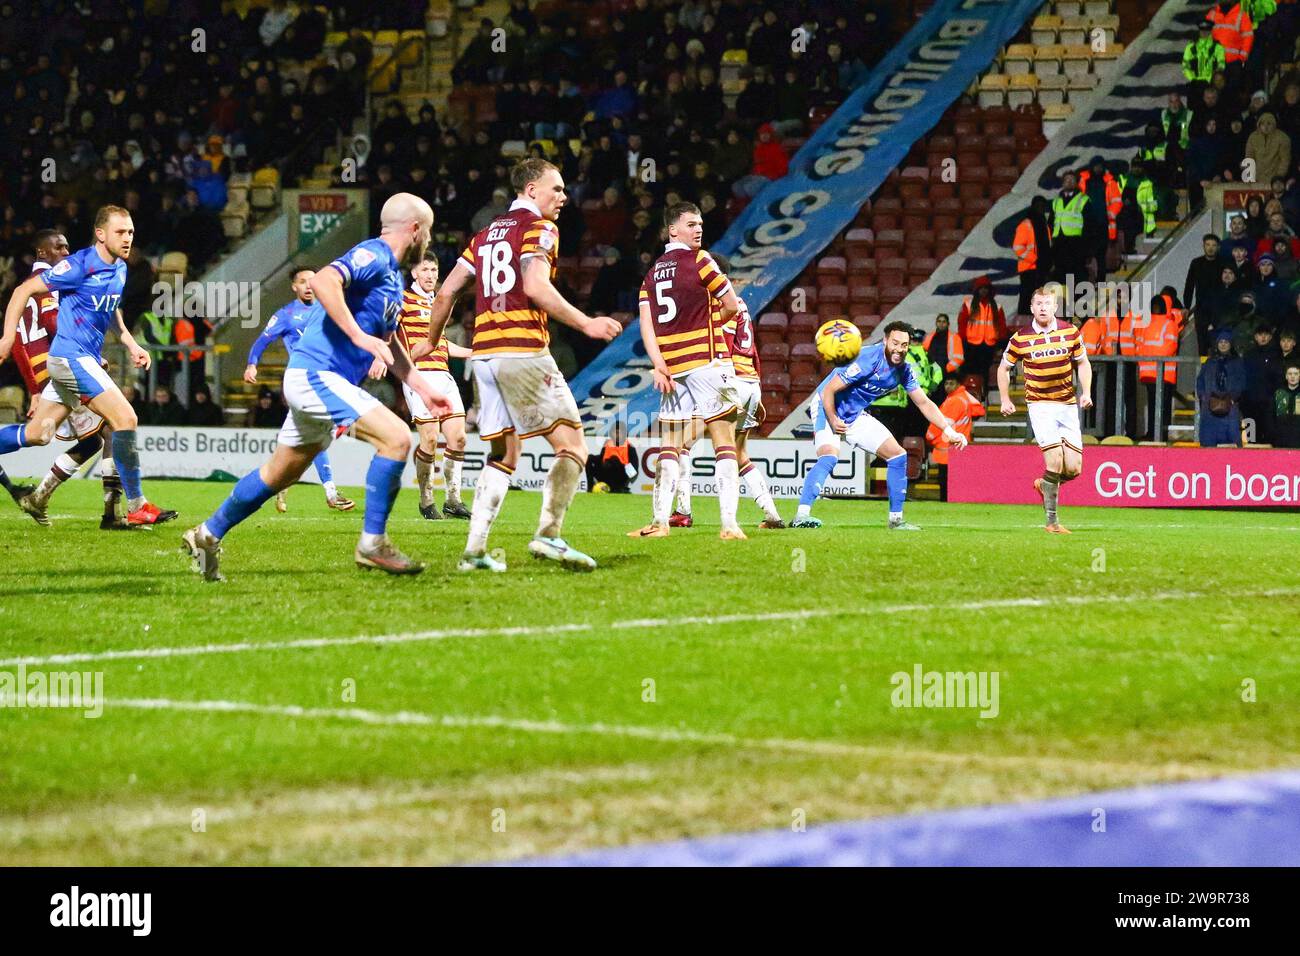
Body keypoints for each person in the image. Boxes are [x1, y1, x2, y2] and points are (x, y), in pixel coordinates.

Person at [182, 193, 456, 581]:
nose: (428, 241)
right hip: (316, 375)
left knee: (279, 474)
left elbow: (390, 341)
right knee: (396, 439)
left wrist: (420, 385)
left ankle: (206, 534)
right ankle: (372, 544)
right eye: (427, 232)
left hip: (323, 381)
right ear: (415, 230)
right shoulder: (374, 254)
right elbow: (326, 280)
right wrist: (360, 338)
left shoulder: (393, 278)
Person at [425, 159, 621, 571]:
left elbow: (445, 295)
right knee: (573, 446)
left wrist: (429, 343)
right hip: (522, 350)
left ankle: (475, 551)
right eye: (557, 189)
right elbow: (534, 285)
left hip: (484, 356)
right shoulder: (541, 229)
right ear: (532, 190)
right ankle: (549, 536)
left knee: (504, 453)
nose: (564, 197)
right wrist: (585, 321)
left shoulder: (483, 236)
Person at [0, 205, 175, 527]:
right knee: (125, 419)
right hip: (70, 358)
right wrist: (8, 337)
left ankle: (41, 498)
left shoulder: (119, 268)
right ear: (100, 234)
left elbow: (110, 307)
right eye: (120, 232)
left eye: (131, 232)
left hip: (76, 361)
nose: (127, 238)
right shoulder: (78, 265)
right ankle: (136, 506)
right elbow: (23, 290)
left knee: (39, 434)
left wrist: (129, 340)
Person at [627, 203, 747, 540]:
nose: (698, 230)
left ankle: (660, 523)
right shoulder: (701, 260)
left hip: (673, 368)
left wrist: (658, 363)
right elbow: (732, 306)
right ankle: (729, 525)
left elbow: (646, 326)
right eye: (691, 224)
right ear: (673, 230)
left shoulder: (651, 275)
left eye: (700, 225)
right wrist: (710, 325)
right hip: (708, 362)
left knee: (671, 444)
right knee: (723, 440)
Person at [0, 228, 130, 529]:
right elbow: (52, 321)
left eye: (68, 247)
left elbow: (20, 342)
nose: (66, 253)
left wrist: (33, 387)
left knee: (49, 436)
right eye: (59, 248)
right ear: (42, 253)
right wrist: (88, 355)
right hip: (65, 365)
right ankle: (113, 513)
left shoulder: (30, 285)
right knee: (114, 427)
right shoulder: (51, 282)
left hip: (48, 369)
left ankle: (40, 497)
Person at [792, 321, 968, 531]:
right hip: (826, 406)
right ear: (885, 340)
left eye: (904, 345)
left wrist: (949, 431)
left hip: (855, 414)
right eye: (895, 343)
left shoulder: (904, 370)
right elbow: (829, 390)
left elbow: (924, 402)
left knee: (897, 455)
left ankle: (896, 520)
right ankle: (801, 516)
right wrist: (832, 419)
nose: (899, 349)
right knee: (829, 457)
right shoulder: (867, 358)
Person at [665, 253, 785, 530]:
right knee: (740, 452)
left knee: (683, 443)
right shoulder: (741, 304)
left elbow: (719, 348)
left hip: (728, 383)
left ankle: (683, 511)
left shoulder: (721, 305)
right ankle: (772, 515)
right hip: (750, 384)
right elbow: (751, 352)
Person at [244, 269, 355, 513]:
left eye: (311, 281)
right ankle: (330, 492)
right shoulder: (286, 315)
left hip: (327, 377)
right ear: (294, 287)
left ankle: (279, 485)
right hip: (303, 381)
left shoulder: (328, 308)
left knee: (302, 441)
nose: (308, 285)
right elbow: (262, 341)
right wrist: (252, 363)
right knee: (318, 433)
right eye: (302, 282)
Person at [997, 287, 1094, 534]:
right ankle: (1052, 522)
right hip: (1040, 406)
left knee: (1073, 469)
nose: (1042, 307)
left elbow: (1083, 363)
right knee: (1054, 460)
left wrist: (1087, 392)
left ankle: (1044, 485)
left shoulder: (1070, 332)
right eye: (1038, 303)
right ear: (1031, 308)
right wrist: (1005, 399)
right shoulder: (1021, 338)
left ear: (1054, 307)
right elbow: (1003, 368)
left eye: (1047, 303)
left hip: (1067, 405)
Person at [397, 250, 473, 520]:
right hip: (419, 376)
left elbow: (440, 344)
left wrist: (474, 352)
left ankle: (453, 500)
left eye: (434, 270)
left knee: (459, 438)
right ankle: (426, 499)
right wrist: (386, 358)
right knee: (429, 439)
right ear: (414, 273)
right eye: (425, 269)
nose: (431, 275)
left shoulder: (439, 302)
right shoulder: (403, 300)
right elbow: (385, 334)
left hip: (443, 375)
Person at [926, 374, 985, 501]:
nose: (948, 386)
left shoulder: (954, 401)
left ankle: (945, 501)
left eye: (951, 383)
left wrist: (930, 436)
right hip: (958, 445)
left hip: (947, 446)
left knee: (945, 481)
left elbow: (942, 424)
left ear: (958, 384)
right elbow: (979, 410)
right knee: (953, 481)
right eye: (946, 384)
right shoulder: (963, 397)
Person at [1135, 294, 1183, 441]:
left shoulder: (1168, 324)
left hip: (1161, 373)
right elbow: (1140, 346)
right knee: (1154, 405)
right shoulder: (1157, 324)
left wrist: (1148, 358)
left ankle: (1160, 434)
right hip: (1153, 372)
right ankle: (1153, 433)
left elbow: (1170, 346)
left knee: (1162, 405)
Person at [956, 275, 1007, 394]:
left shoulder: (997, 306)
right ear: (977, 290)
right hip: (971, 344)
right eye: (981, 288)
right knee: (970, 369)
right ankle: (969, 392)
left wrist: (1001, 343)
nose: (983, 290)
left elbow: (1002, 325)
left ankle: (984, 393)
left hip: (989, 344)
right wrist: (963, 340)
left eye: (986, 288)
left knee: (985, 371)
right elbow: (962, 323)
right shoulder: (968, 304)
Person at [1196, 328, 1247, 447]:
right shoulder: (1210, 362)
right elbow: (1201, 381)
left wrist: (1233, 398)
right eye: (1221, 342)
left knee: (1232, 442)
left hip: (1230, 407)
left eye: (1226, 342)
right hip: (1210, 409)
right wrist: (1204, 397)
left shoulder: (1237, 362)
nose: (1223, 344)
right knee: (1208, 443)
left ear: (1231, 344)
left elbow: (1241, 382)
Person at [1242, 322, 1283, 442]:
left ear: (1270, 337)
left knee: (1269, 436)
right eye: (1260, 334)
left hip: (1268, 404)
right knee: (1252, 438)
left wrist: (1273, 398)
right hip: (1250, 404)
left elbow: (1278, 378)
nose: (1263, 337)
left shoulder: (1276, 355)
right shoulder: (1248, 355)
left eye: (1266, 334)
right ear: (1255, 337)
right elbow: (1244, 378)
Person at [1012, 196, 1051, 316]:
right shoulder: (1025, 224)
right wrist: (1035, 259)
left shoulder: (1045, 225)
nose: (1041, 209)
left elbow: (1048, 246)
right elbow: (1018, 247)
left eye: (1043, 207)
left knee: (1037, 298)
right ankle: (1023, 323)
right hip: (1028, 268)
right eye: (1039, 206)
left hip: (1041, 267)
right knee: (1026, 297)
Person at [1051, 171, 1089, 284]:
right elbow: (1051, 222)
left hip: (1076, 242)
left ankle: (1076, 298)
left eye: (1072, 180)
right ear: (1062, 183)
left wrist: (1086, 244)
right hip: (1059, 241)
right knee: (1060, 271)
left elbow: (1089, 223)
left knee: (1075, 272)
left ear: (1077, 183)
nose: (1069, 182)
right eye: (1066, 180)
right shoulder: (1056, 201)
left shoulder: (1083, 199)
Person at [587, 419, 638, 493]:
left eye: (619, 433)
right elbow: (601, 459)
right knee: (590, 458)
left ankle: (619, 488)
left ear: (624, 434)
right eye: (615, 432)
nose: (617, 435)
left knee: (614, 459)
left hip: (621, 476)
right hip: (605, 472)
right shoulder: (607, 444)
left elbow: (634, 470)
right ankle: (590, 487)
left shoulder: (630, 448)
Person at [1273, 362, 1300, 447]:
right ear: (1286, 376)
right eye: (1290, 374)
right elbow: (1270, 416)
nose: (1292, 376)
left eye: (1296, 374)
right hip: (1281, 438)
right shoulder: (1278, 394)